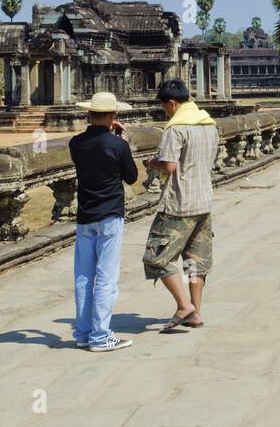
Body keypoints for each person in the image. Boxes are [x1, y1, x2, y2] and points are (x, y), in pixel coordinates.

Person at [141, 78, 220, 331]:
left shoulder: (175, 128)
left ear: (172, 103)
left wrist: (152, 164)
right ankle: (196, 312)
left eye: (164, 106)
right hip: (204, 201)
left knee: (156, 258)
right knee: (194, 260)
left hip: (178, 204)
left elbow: (169, 166)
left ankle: (184, 306)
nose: (165, 111)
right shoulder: (209, 124)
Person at [68, 90, 138, 352]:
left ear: (89, 113)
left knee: (83, 277)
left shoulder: (76, 143)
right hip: (109, 215)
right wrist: (123, 141)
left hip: (85, 215)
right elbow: (131, 178)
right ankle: (100, 336)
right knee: (107, 277)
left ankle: (84, 332)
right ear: (113, 116)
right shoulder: (117, 144)